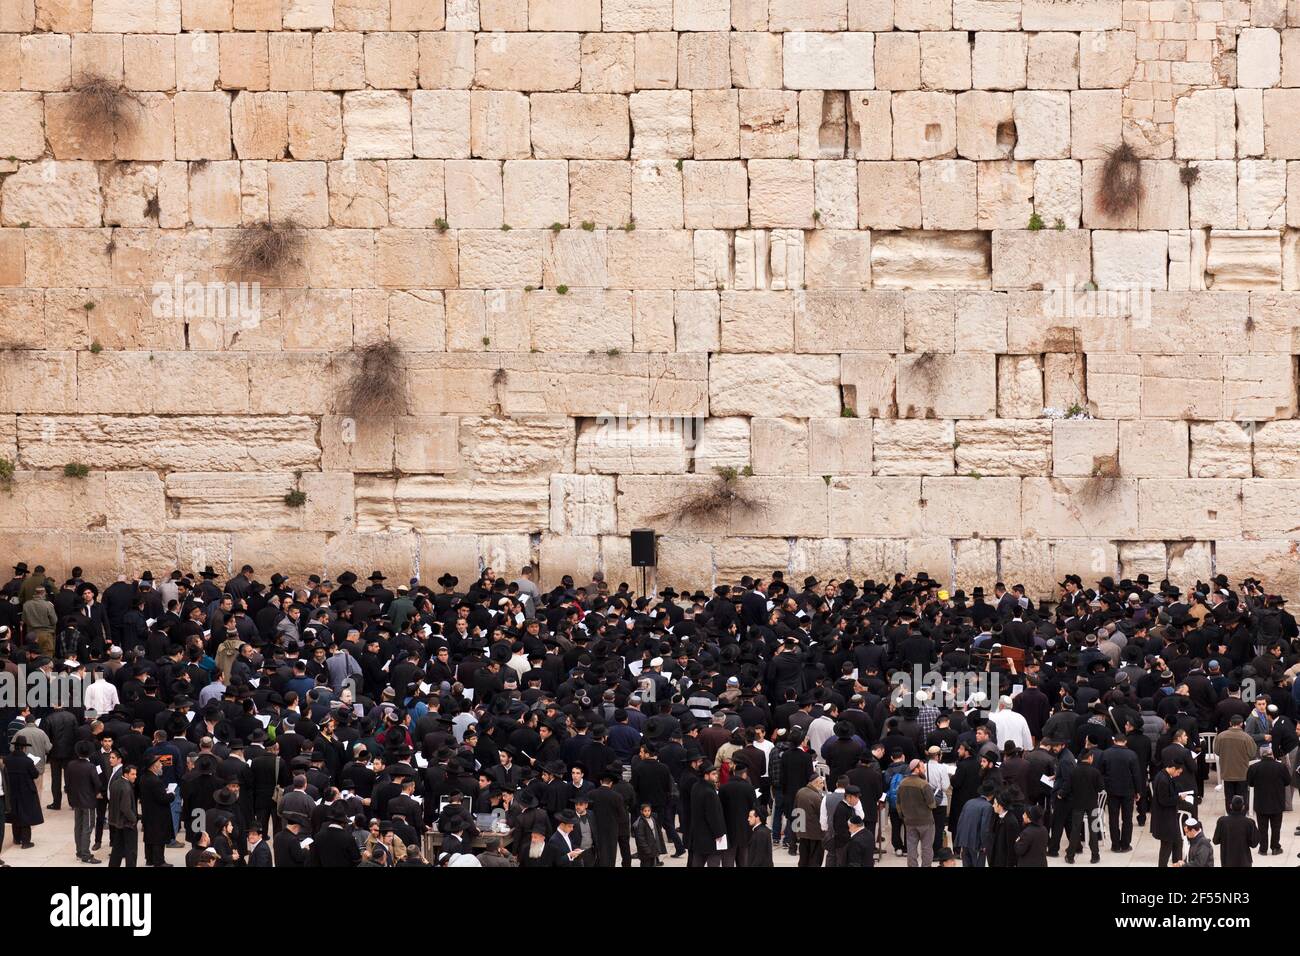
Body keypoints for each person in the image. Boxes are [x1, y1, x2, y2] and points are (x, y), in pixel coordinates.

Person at [64, 740, 103, 864]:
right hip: (88, 802)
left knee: (78, 827)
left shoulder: (71, 765)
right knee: (87, 827)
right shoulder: (90, 766)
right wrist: (98, 792)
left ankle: (79, 851)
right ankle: (85, 854)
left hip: (76, 801)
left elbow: (67, 783)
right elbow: (97, 783)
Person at [1246, 743, 1289, 855]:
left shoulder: (1254, 767)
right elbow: (1287, 781)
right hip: (1277, 802)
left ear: (1261, 755)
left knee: (1262, 828)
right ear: (1272, 754)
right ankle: (1275, 847)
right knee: (1276, 827)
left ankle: (1263, 849)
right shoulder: (1281, 767)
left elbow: (1250, 783)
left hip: (1261, 802)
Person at [1151, 761, 1194, 867]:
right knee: (1166, 847)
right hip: (1165, 819)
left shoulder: (1166, 777)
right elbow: (1164, 800)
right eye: (1178, 772)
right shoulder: (1163, 780)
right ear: (1173, 768)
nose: (1178, 775)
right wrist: (1179, 798)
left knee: (1177, 842)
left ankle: (1177, 864)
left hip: (1169, 818)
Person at [896, 759, 937, 868]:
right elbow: (932, 804)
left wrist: (903, 816)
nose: (924, 769)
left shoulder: (902, 783)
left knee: (911, 847)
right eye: (922, 767)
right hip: (926, 822)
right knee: (927, 848)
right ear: (917, 769)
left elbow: (898, 803)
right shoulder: (924, 784)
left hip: (909, 821)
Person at [3, 737, 42, 849]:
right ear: (24, 748)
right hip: (26, 791)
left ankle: (16, 838)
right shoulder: (28, 761)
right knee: (26, 815)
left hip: (12, 790)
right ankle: (26, 842)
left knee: (15, 813)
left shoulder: (7, 759)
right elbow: (34, 774)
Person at [1212, 795, 1260, 867]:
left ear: (1231, 806)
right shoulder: (1249, 822)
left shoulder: (1222, 821)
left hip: (1227, 861)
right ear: (1243, 807)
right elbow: (1254, 844)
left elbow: (1215, 841)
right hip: (1244, 861)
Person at [107, 763, 139, 868]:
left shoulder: (115, 783)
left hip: (117, 822)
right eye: (133, 774)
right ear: (126, 774)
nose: (135, 777)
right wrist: (134, 819)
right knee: (131, 851)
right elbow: (125, 808)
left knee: (117, 849)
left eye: (135, 774)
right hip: (127, 823)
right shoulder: (127, 788)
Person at [632, 803, 665, 867]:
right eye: (645, 811)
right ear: (641, 812)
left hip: (652, 849)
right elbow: (640, 838)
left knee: (652, 864)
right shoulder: (641, 822)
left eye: (648, 811)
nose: (647, 812)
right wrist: (646, 849)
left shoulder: (652, 819)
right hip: (645, 851)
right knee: (645, 864)